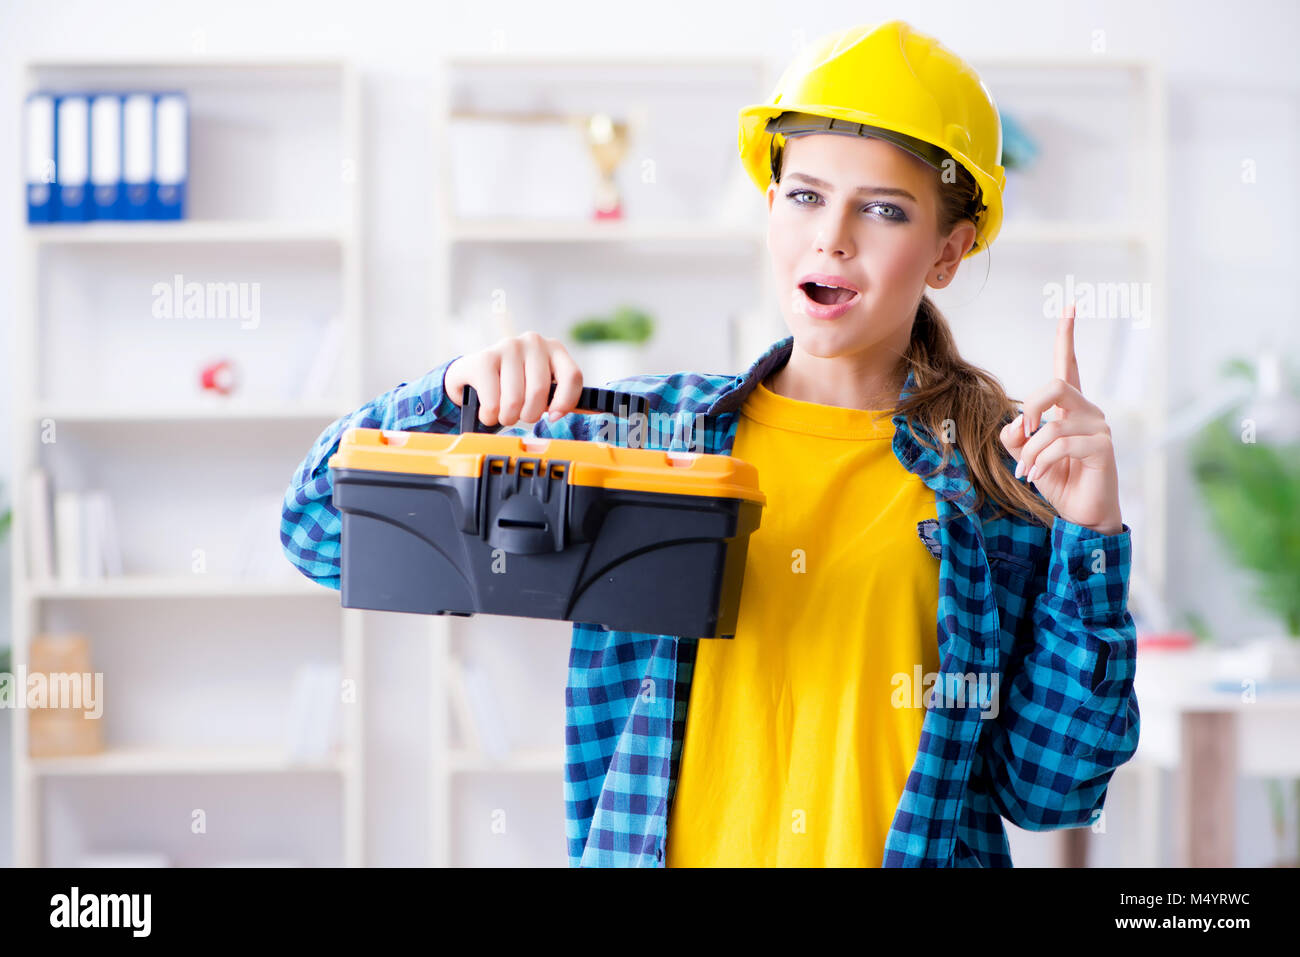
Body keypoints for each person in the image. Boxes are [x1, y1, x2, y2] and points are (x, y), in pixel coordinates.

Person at [280, 20, 1139, 867]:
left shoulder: (1001, 476)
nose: (831, 236)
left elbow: (1051, 791)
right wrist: (455, 395)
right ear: (771, 209)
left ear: (948, 251)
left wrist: (1090, 538)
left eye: (883, 209)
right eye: (805, 194)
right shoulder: (642, 442)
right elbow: (320, 533)